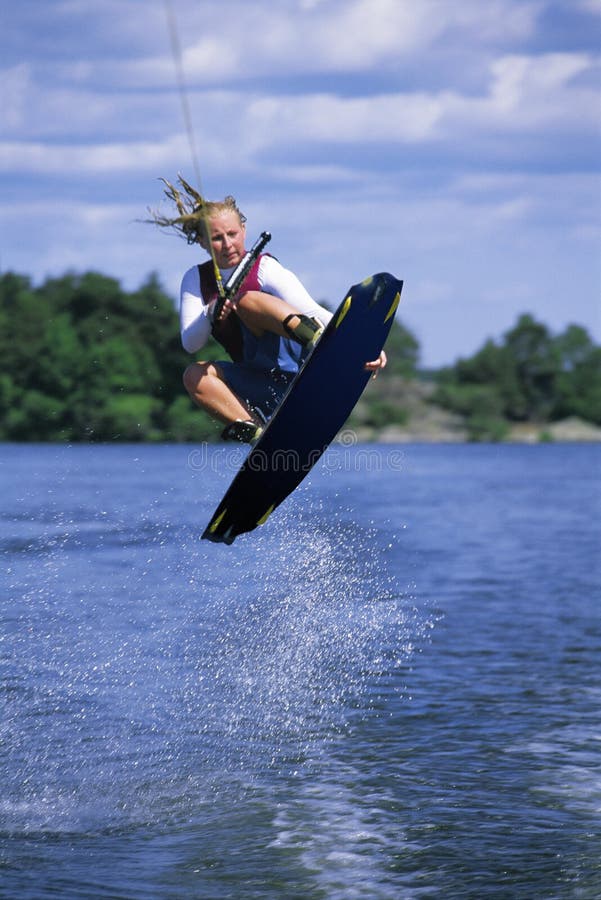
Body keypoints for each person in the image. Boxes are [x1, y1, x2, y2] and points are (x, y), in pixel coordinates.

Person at [152, 178, 386, 442]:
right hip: (259, 380)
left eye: (232, 234)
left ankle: (319, 346)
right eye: (216, 238)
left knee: (247, 301)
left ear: (244, 229)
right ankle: (259, 435)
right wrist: (211, 310)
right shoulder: (195, 280)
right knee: (194, 375)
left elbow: (311, 309)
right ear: (202, 242)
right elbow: (191, 344)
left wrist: (361, 344)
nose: (227, 244)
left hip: (302, 361)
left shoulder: (264, 267)